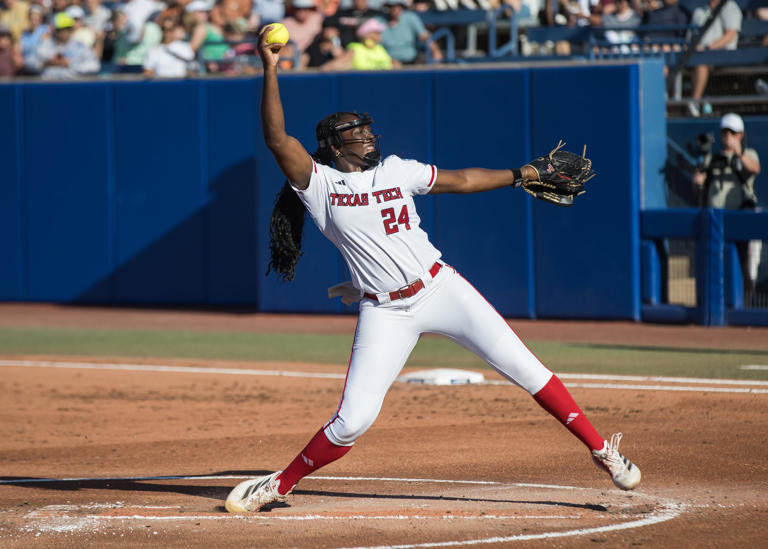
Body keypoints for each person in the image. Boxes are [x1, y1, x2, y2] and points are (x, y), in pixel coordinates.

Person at [223, 24, 643, 514]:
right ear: (334, 146)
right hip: (387, 312)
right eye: (355, 133)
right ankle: (279, 485)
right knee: (353, 420)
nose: (367, 136)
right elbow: (276, 137)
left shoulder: (397, 169)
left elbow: (462, 180)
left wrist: (520, 175)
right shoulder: (319, 185)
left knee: (527, 368)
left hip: (440, 287)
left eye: (367, 129)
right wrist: (270, 67)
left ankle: (601, 451)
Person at [693, 113, 761, 302]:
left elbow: (755, 168)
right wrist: (698, 180)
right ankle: (716, 302)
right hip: (717, 221)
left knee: (747, 264)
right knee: (716, 263)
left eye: (731, 132)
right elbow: (700, 183)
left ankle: (748, 303)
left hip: (742, 218)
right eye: (724, 132)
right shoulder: (712, 159)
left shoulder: (748, 154)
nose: (727, 136)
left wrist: (738, 153)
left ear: (740, 135)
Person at [688, 0, 742, 117]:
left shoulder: (730, 7)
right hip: (698, 54)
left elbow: (730, 35)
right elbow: (690, 36)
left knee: (701, 62)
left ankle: (694, 103)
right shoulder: (699, 10)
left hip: (723, 54)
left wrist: (708, 47)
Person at [33, 11, 100, 78]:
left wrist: (70, 64)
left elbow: (95, 66)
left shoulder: (80, 47)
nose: (64, 32)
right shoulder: (45, 45)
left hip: (72, 84)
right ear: (55, 30)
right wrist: (47, 63)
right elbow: (30, 63)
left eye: (68, 29)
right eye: (61, 29)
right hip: (47, 85)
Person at [321, 16, 398, 70]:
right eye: (376, 32)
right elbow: (328, 67)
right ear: (367, 34)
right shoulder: (355, 49)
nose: (379, 34)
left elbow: (394, 66)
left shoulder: (380, 49)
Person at [380, 0, 441, 64]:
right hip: (387, 64)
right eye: (392, 6)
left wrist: (436, 51)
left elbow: (424, 35)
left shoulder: (410, 17)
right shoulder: (380, 20)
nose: (396, 9)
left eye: (398, 6)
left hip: (411, 62)